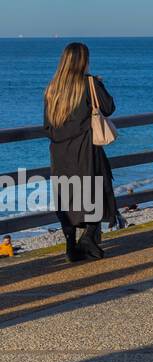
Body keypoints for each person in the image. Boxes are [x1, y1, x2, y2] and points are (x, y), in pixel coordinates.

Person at [43, 42, 117, 263]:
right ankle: (89, 241)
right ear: (83, 60)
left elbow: (47, 125)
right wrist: (98, 85)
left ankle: (70, 244)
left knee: (67, 194)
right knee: (94, 189)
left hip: (60, 151)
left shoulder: (52, 88)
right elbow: (109, 107)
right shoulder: (88, 83)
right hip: (85, 148)